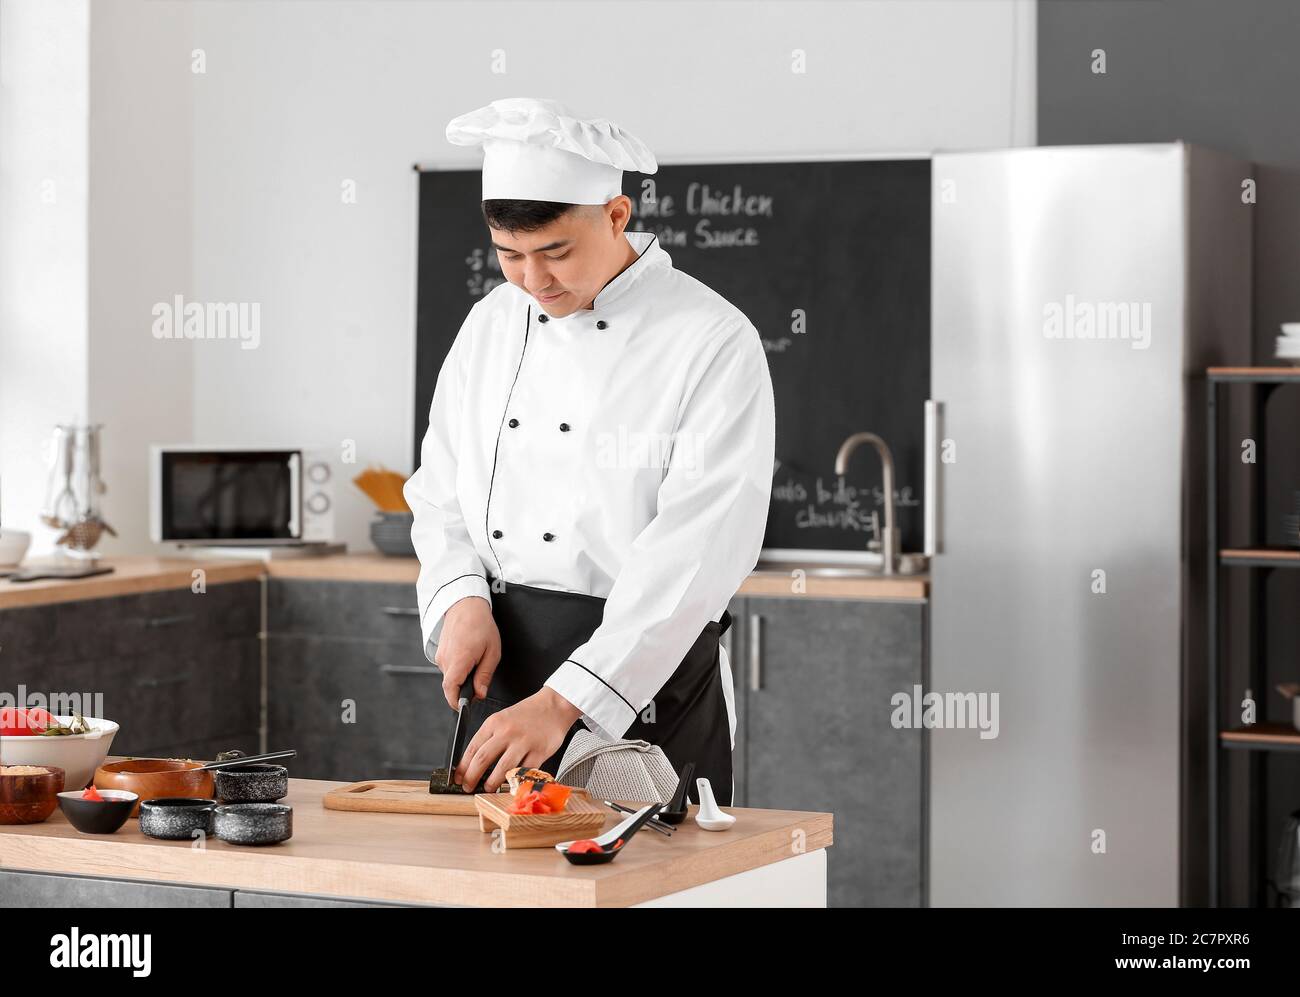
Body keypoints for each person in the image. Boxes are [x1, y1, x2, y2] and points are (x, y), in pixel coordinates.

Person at [404, 97, 774, 803]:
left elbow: (697, 552)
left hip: (639, 678)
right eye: (509, 255)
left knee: (646, 880)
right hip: (504, 670)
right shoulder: (491, 321)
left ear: (616, 216)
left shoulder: (711, 339)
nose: (534, 281)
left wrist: (569, 699)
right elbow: (440, 487)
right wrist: (458, 599)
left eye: (555, 252)